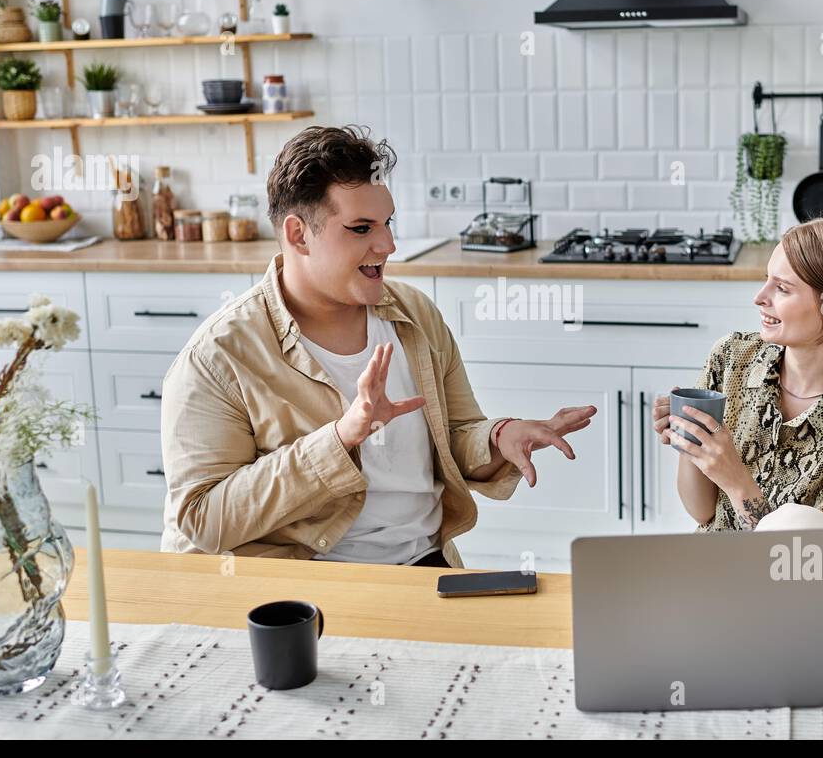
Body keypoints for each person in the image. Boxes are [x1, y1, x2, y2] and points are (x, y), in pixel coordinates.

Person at [160, 124, 595, 565]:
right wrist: (342, 437)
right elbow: (201, 521)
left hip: (426, 564)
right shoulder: (219, 357)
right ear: (298, 235)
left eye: (387, 223)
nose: (388, 244)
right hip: (307, 586)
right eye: (361, 227)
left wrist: (500, 437)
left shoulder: (415, 314)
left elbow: (457, 436)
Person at [652, 216, 823, 532]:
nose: (760, 297)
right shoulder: (731, 358)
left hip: (783, 581)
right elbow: (702, 513)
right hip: (706, 569)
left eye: (782, 288)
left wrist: (737, 481)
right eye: (767, 279)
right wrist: (692, 442)